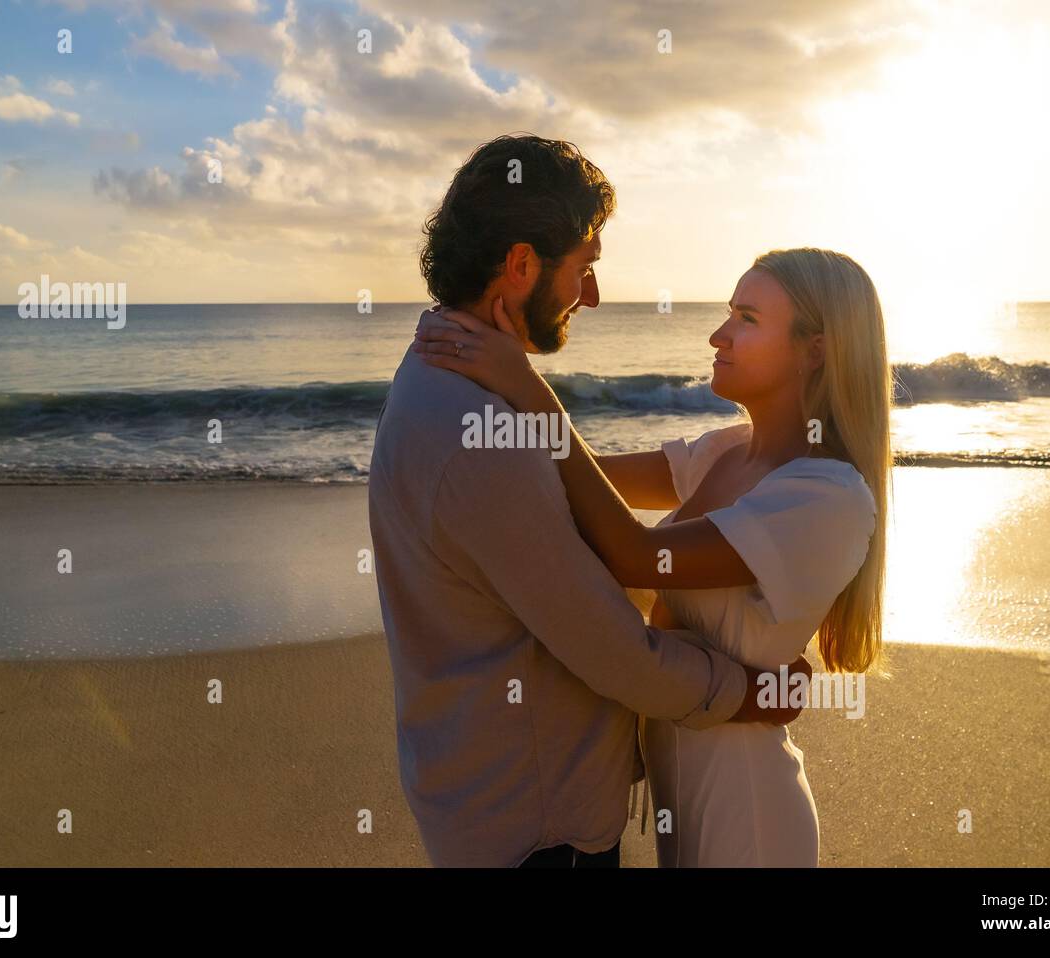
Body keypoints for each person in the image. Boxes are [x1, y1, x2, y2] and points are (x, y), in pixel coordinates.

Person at [368, 134, 810, 868]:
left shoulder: (434, 378)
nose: (594, 296)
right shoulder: (481, 436)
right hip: (538, 831)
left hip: (484, 800)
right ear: (519, 265)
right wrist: (748, 692)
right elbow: (612, 652)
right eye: (586, 267)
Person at [413, 246, 891, 866]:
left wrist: (524, 386)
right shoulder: (726, 452)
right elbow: (572, 481)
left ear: (816, 349)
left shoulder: (824, 496)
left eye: (747, 319)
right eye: (728, 313)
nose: (718, 334)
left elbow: (635, 555)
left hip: (747, 812)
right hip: (683, 791)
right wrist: (486, 414)